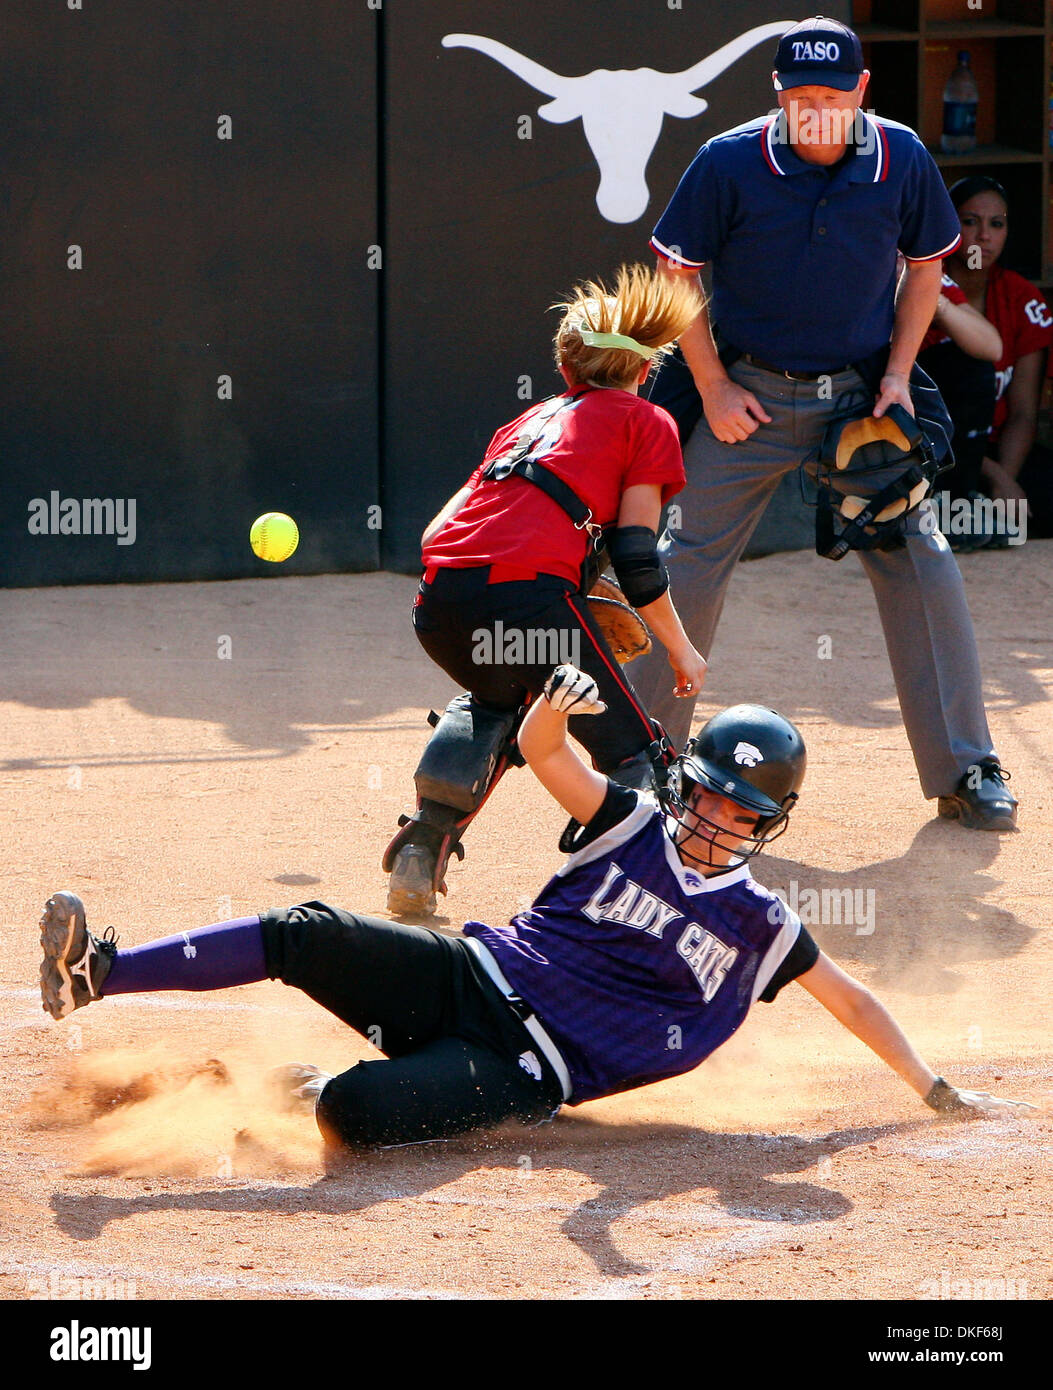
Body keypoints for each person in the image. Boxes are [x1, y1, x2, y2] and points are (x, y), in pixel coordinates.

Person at [37, 663, 1033, 1152]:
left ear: (771, 821)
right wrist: (552, 713)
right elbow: (553, 757)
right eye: (715, 792)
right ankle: (99, 972)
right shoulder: (629, 822)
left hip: (526, 1068)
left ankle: (296, 1087)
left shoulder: (762, 925)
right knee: (307, 930)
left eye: (747, 806)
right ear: (687, 782)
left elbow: (852, 1000)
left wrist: (932, 1089)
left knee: (352, 1111)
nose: (723, 814)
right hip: (473, 972)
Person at [630, 15, 1018, 832]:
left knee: (924, 558)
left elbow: (925, 269)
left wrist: (898, 375)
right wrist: (710, 384)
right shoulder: (729, 159)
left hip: (856, 404)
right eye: (799, 95)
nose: (815, 110)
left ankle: (965, 767)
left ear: (860, 92)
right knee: (684, 564)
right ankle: (640, 760)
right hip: (746, 396)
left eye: (831, 95)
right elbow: (676, 274)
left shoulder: (901, 155)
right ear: (777, 94)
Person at [384, 265, 708, 916]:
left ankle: (421, 850)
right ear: (643, 369)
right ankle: (649, 907)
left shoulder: (525, 423)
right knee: (637, 755)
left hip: (439, 607)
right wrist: (682, 650)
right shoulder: (644, 421)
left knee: (507, 703)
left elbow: (436, 533)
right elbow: (638, 558)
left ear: (568, 368)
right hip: (529, 600)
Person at [919, 176, 1053, 541]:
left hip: (997, 446)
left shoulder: (1020, 297)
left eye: (997, 224)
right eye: (969, 221)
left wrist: (1004, 480)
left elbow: (1024, 412)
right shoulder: (926, 285)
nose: (984, 236)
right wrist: (993, 476)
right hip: (935, 449)